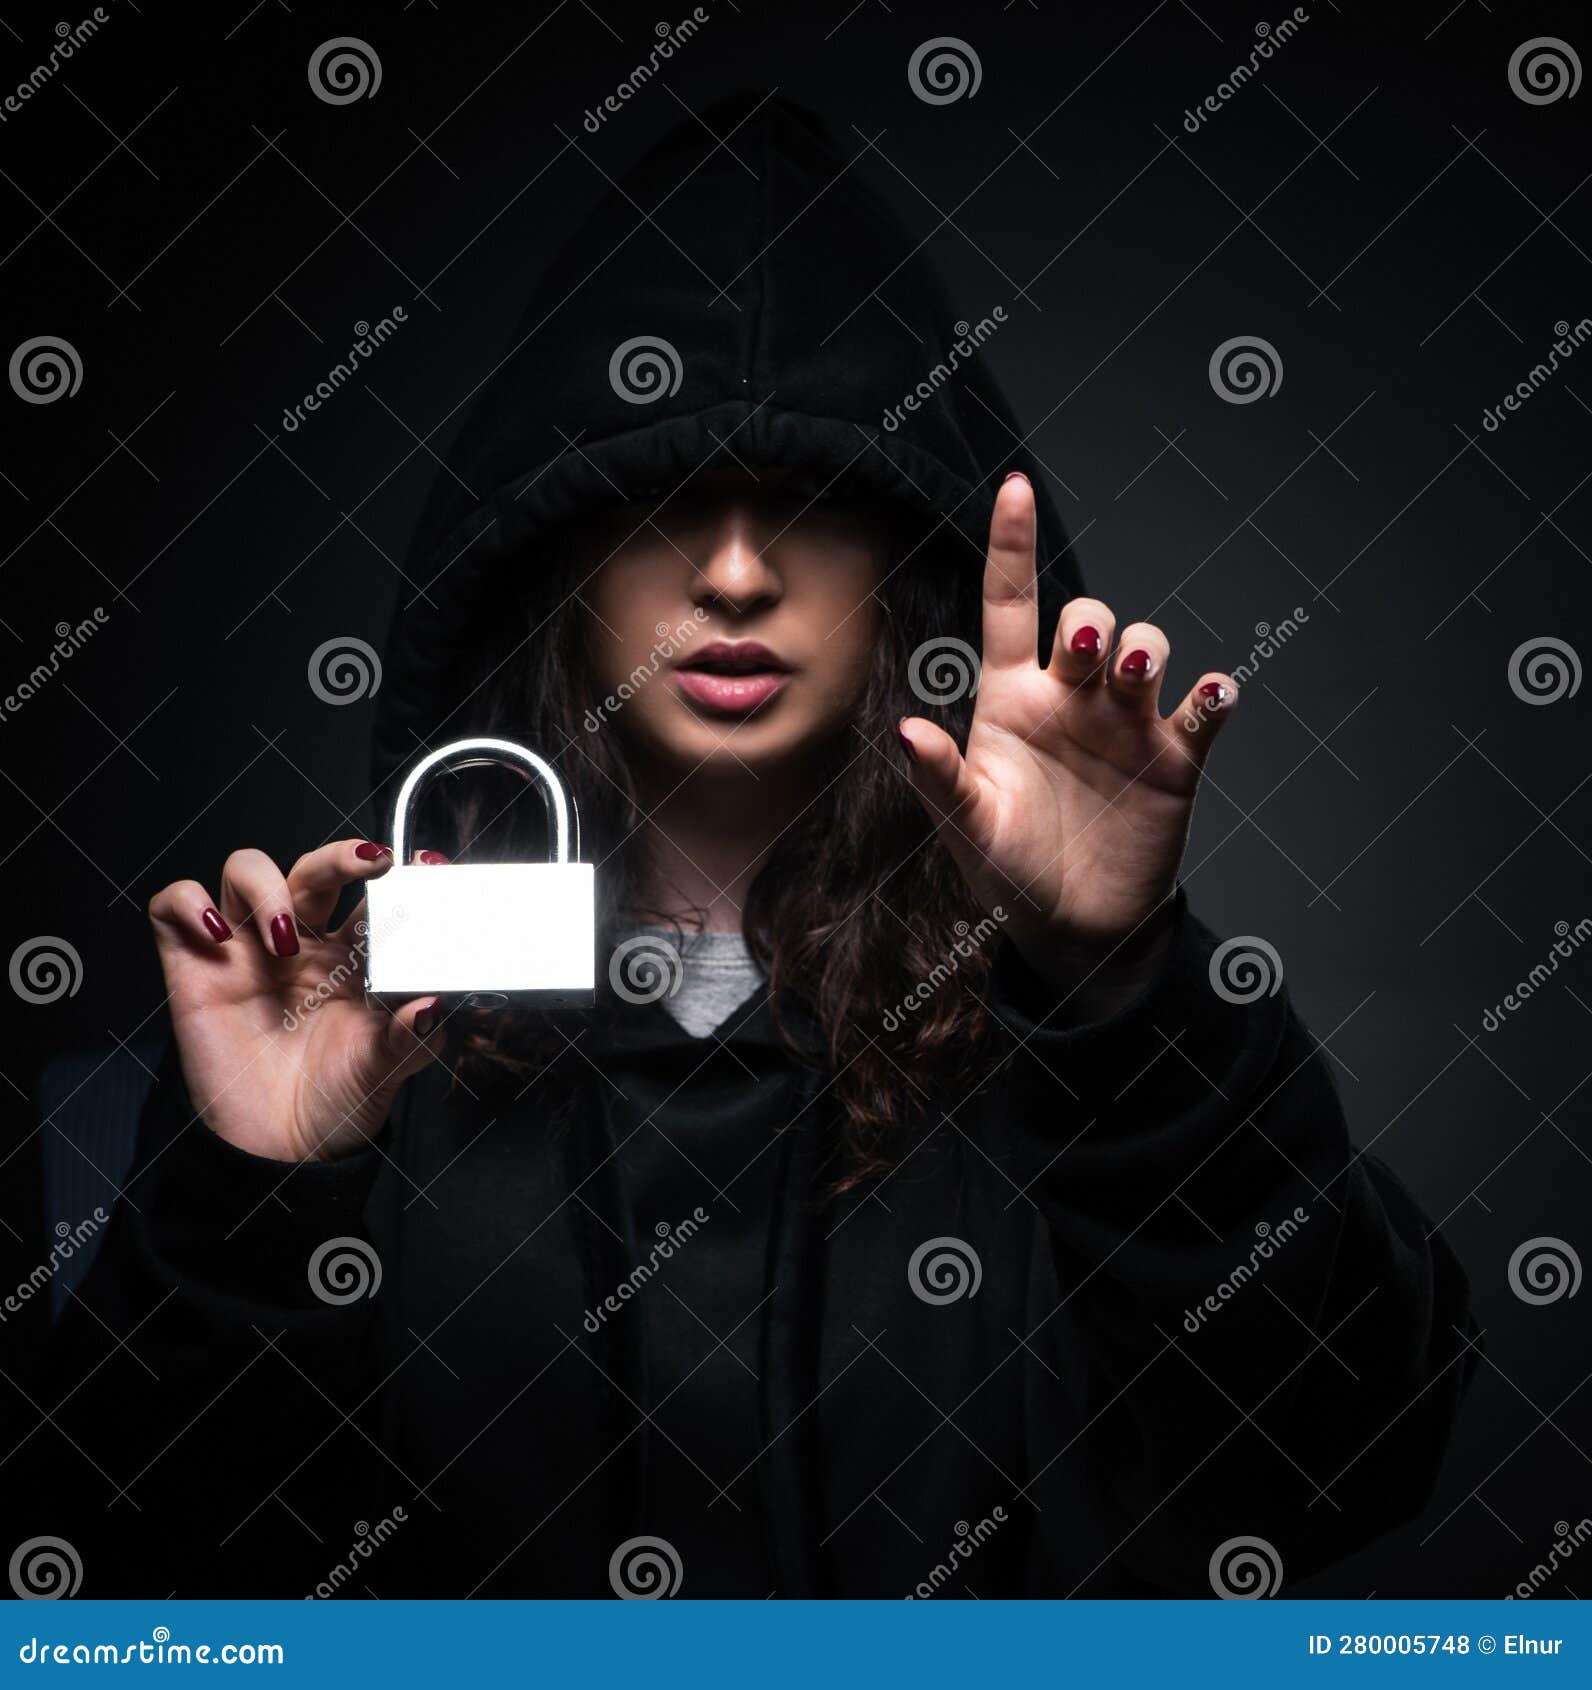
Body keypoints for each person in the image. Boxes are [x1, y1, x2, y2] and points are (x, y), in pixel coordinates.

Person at [15, 96, 1476, 1599]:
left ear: (902, 555)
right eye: (664, 501)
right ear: (556, 545)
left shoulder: (1070, 1051)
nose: (731, 573)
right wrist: (251, 1203)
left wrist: (1125, 989)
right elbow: (109, 1596)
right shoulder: (371, 1039)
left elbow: (1348, 1457)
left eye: (803, 503)